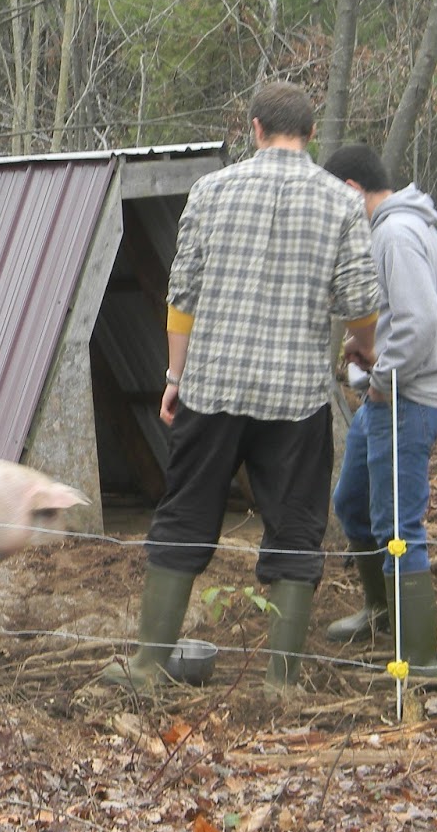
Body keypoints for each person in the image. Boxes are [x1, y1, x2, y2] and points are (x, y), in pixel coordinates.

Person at [100, 81, 379, 693]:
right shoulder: (340, 202)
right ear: (310, 135)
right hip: (296, 398)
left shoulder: (211, 190)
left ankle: (147, 668)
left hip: (214, 388)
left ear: (254, 129)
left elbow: (183, 294)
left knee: (184, 519)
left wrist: (174, 377)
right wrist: (363, 345)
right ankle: (280, 683)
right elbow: (361, 300)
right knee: (296, 527)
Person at [320, 143, 437, 675]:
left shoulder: (394, 235)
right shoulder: (408, 229)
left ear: (353, 191)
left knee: (398, 527)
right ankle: (380, 612)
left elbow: (422, 323)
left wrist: (382, 377)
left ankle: (418, 661)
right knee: (352, 503)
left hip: (403, 400)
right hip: (390, 398)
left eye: (337, 203)